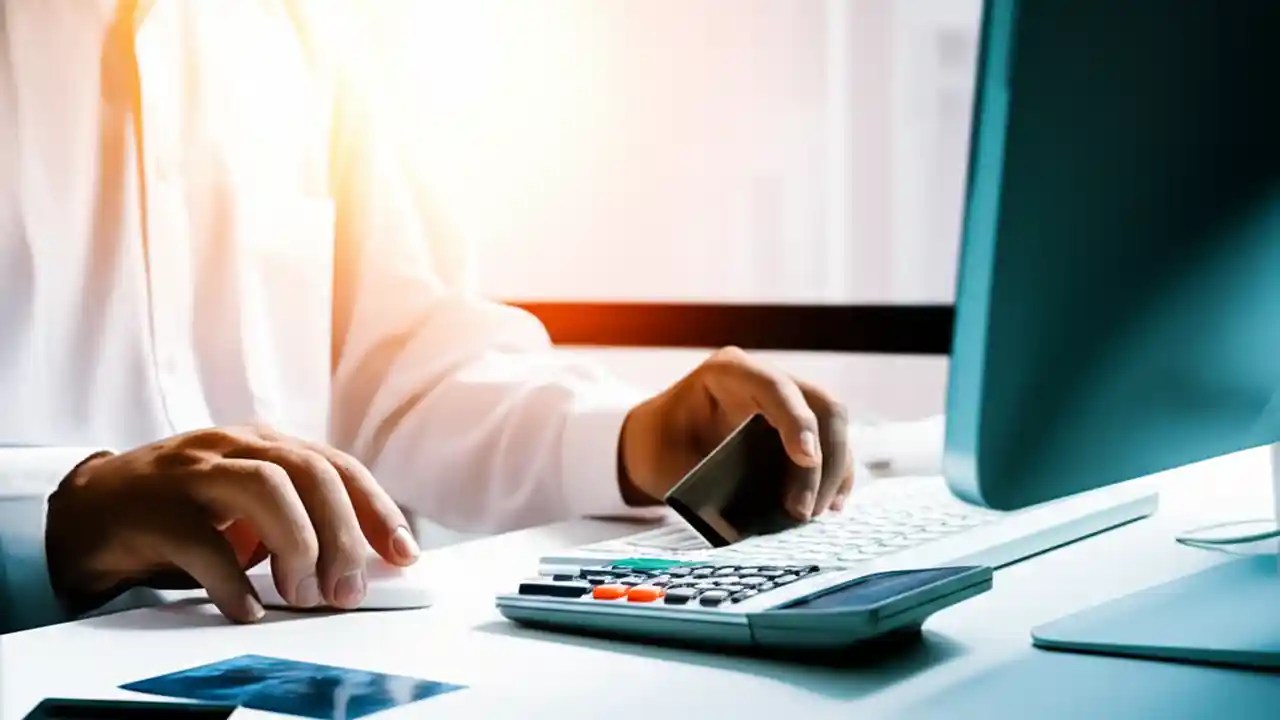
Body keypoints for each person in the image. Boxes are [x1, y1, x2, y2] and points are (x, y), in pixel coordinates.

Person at [0, 1, 853, 634]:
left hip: (287, 652)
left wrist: (627, 439)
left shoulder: (301, 33)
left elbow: (407, 374)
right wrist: (60, 514)